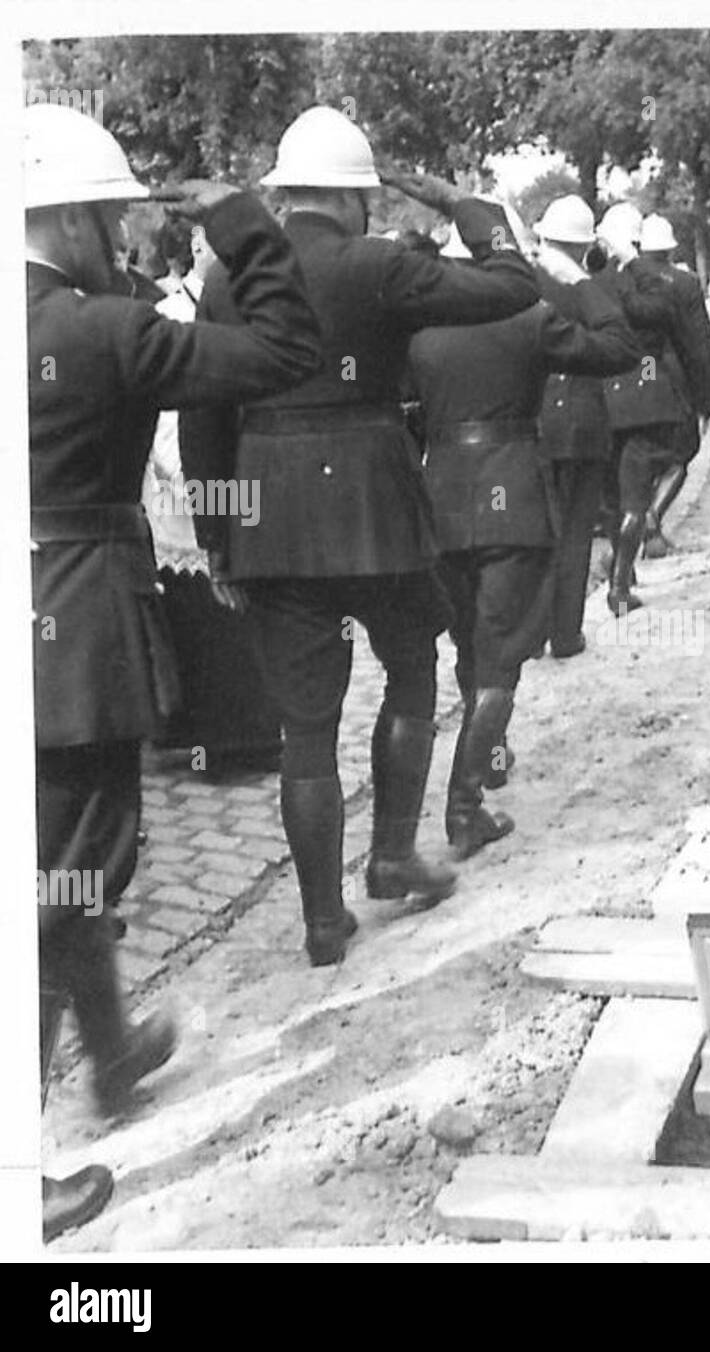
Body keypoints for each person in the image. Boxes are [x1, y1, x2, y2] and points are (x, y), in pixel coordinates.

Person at [26, 102, 322, 1240]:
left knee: (60, 866)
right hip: (73, 624)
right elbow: (287, 352)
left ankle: (108, 1055)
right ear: (71, 217)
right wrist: (247, 228)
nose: (117, 234)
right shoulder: (103, 331)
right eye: (107, 215)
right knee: (69, 868)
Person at [181, 107, 542, 967]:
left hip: (268, 515)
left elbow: (204, 414)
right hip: (375, 505)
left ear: (286, 191)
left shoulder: (227, 277)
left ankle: (320, 922)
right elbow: (513, 284)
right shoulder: (378, 266)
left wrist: (220, 536)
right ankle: (391, 852)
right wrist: (461, 203)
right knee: (413, 667)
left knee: (304, 726)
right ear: (353, 199)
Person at [409, 202, 639, 859]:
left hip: (442, 494)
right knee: (502, 655)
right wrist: (575, 277)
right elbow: (620, 347)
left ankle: (487, 760)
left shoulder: (420, 326)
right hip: (512, 493)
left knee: (469, 644)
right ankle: (464, 804)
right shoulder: (528, 315)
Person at [144, 221, 282, 773]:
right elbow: (163, 411)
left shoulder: (246, 310)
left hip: (236, 475)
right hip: (181, 479)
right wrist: (184, 476)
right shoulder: (168, 316)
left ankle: (252, 734)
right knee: (200, 616)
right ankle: (209, 742)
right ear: (197, 249)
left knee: (241, 613)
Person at [591, 201, 689, 613]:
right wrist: (635, 262)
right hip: (643, 399)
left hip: (601, 400)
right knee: (635, 498)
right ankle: (620, 588)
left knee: (613, 498)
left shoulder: (591, 284)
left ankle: (622, 575)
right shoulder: (643, 286)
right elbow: (664, 307)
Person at [536, 196, 617, 658]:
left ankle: (530, 634)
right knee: (575, 532)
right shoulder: (593, 290)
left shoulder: (525, 284)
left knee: (539, 531)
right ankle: (565, 632)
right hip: (585, 419)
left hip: (539, 419)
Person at [634, 213, 710, 557]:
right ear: (670, 249)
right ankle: (652, 517)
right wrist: (705, 398)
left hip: (634, 370)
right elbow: (698, 344)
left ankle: (633, 527)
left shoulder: (625, 279)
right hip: (671, 372)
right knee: (681, 453)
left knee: (636, 454)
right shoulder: (684, 283)